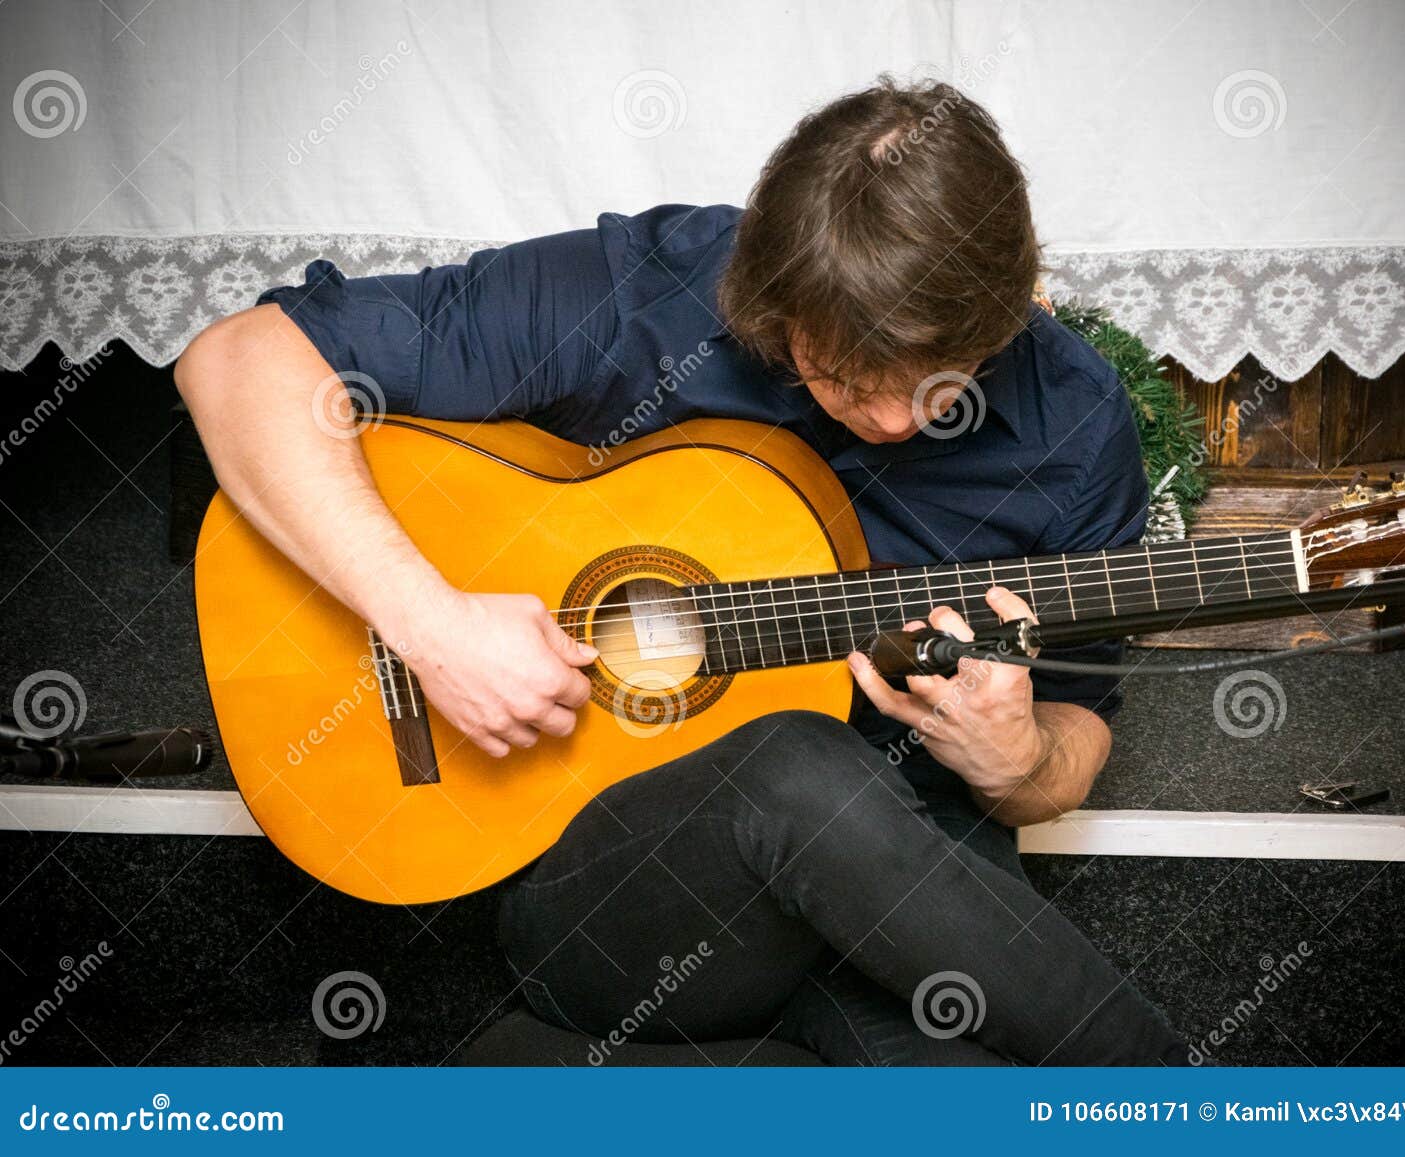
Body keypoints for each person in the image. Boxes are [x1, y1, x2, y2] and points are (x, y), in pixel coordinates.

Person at [176, 77, 1189, 1065]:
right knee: (799, 767)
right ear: (769, 300)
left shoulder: (1076, 420)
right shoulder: (653, 294)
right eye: (837, 375)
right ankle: (1192, 1105)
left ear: (1007, 317)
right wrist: (428, 622)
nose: (887, 420)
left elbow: (1074, 735)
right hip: (621, 907)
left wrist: (1019, 761)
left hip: (909, 895)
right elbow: (237, 362)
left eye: (935, 383)